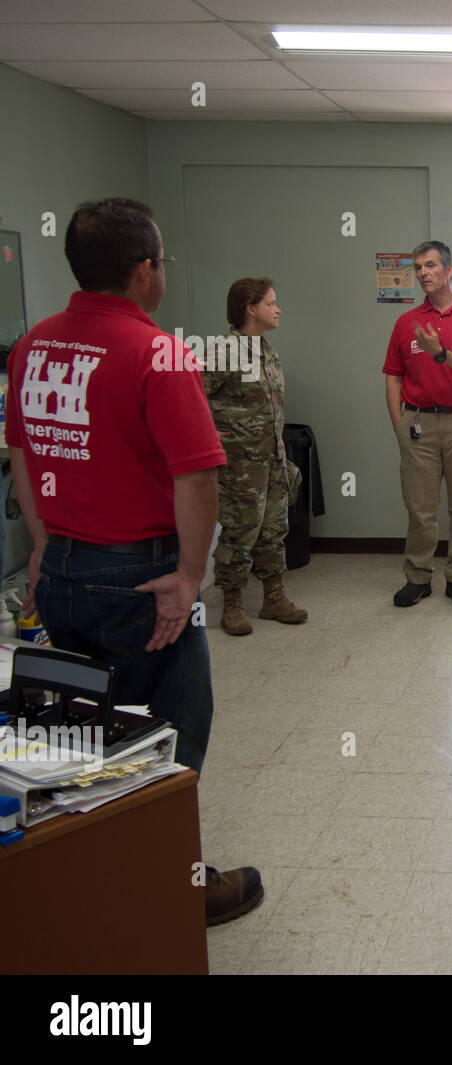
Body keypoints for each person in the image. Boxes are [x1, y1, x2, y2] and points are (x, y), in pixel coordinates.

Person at [5, 197, 262, 924]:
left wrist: (46, 544)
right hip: (139, 578)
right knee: (170, 735)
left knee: (83, 725)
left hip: (61, 575)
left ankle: (89, 871)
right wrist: (188, 577)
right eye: (162, 263)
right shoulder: (157, 352)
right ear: (143, 269)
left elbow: (22, 455)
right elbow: (198, 476)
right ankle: (163, 885)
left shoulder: (35, 346)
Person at [383, 240, 452, 608]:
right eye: (417, 268)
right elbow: (393, 377)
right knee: (420, 508)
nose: (422, 273)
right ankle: (417, 578)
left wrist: (442, 355)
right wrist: (400, 424)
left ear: (449, 270)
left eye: (430, 266)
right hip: (418, 424)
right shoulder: (406, 323)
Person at [205, 277, 307, 635]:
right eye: (271, 303)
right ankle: (231, 604)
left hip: (273, 460)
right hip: (239, 467)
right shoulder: (222, 352)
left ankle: (273, 597)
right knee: (239, 533)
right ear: (250, 308)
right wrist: (216, 437)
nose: (277, 309)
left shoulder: (267, 351)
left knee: (273, 531)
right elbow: (190, 398)